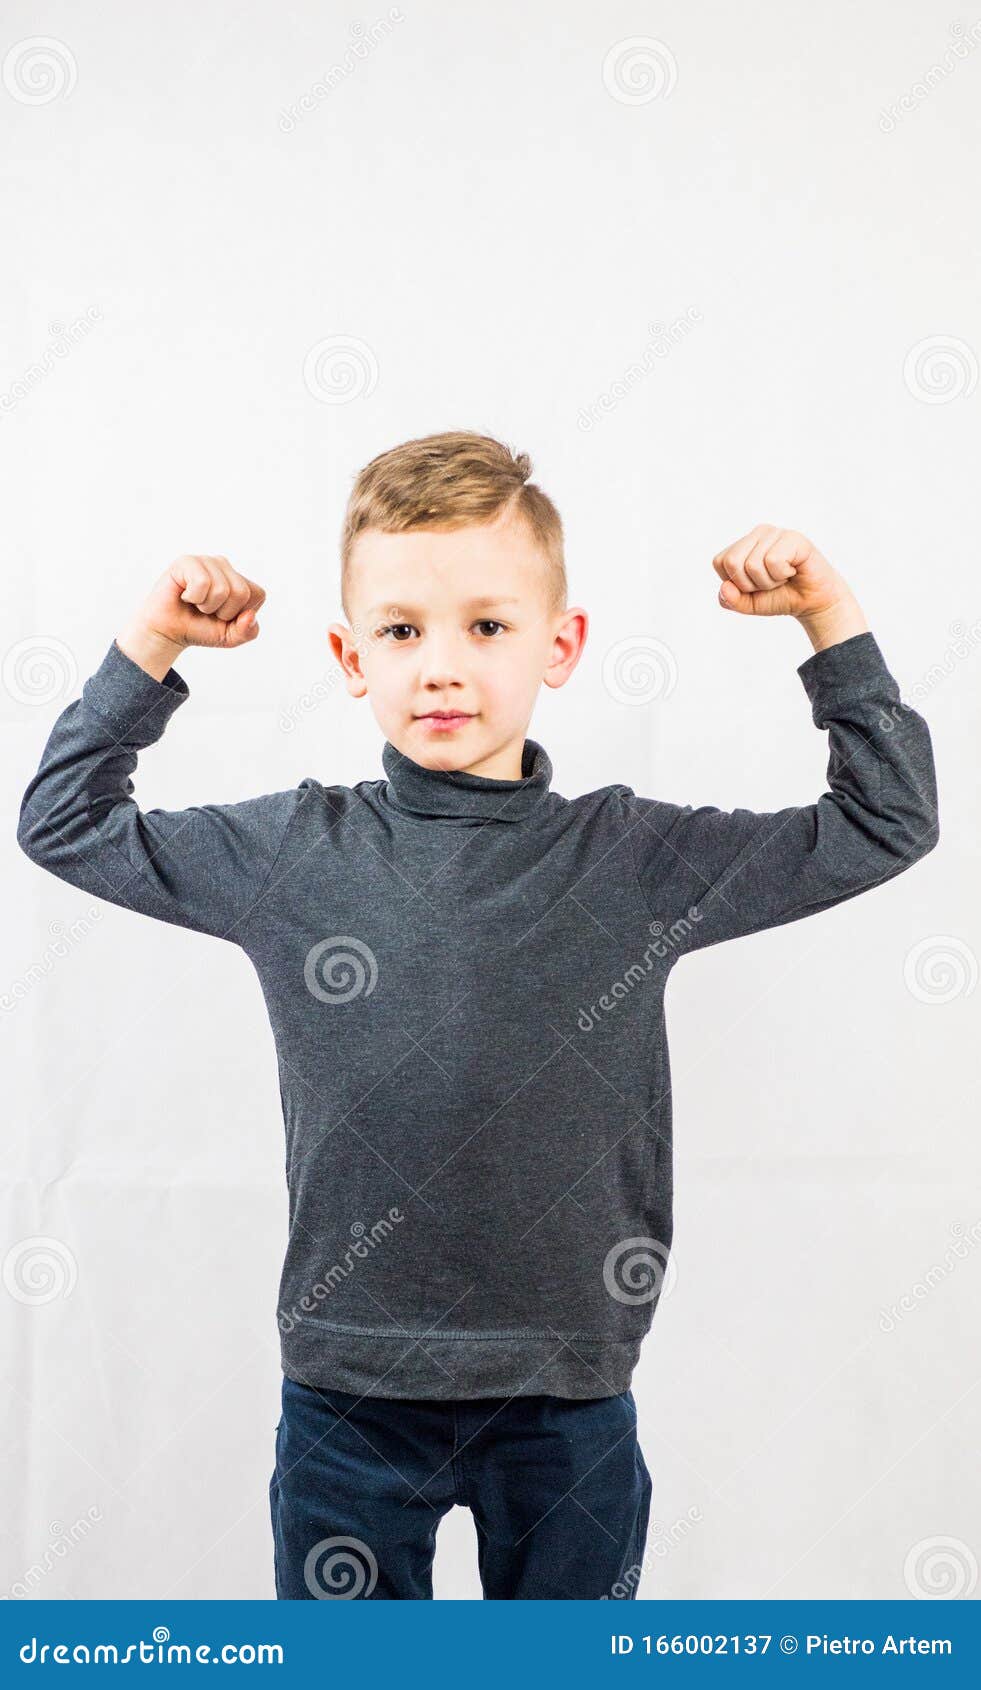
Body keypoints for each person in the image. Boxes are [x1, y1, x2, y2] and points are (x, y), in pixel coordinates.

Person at [16, 430, 940, 1599]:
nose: (441, 667)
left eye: (487, 627)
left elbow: (885, 823)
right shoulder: (295, 851)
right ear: (351, 658)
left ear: (563, 646)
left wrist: (832, 619)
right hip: (348, 1398)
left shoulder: (631, 860)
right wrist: (150, 644)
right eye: (402, 631)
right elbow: (63, 824)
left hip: (568, 1397)